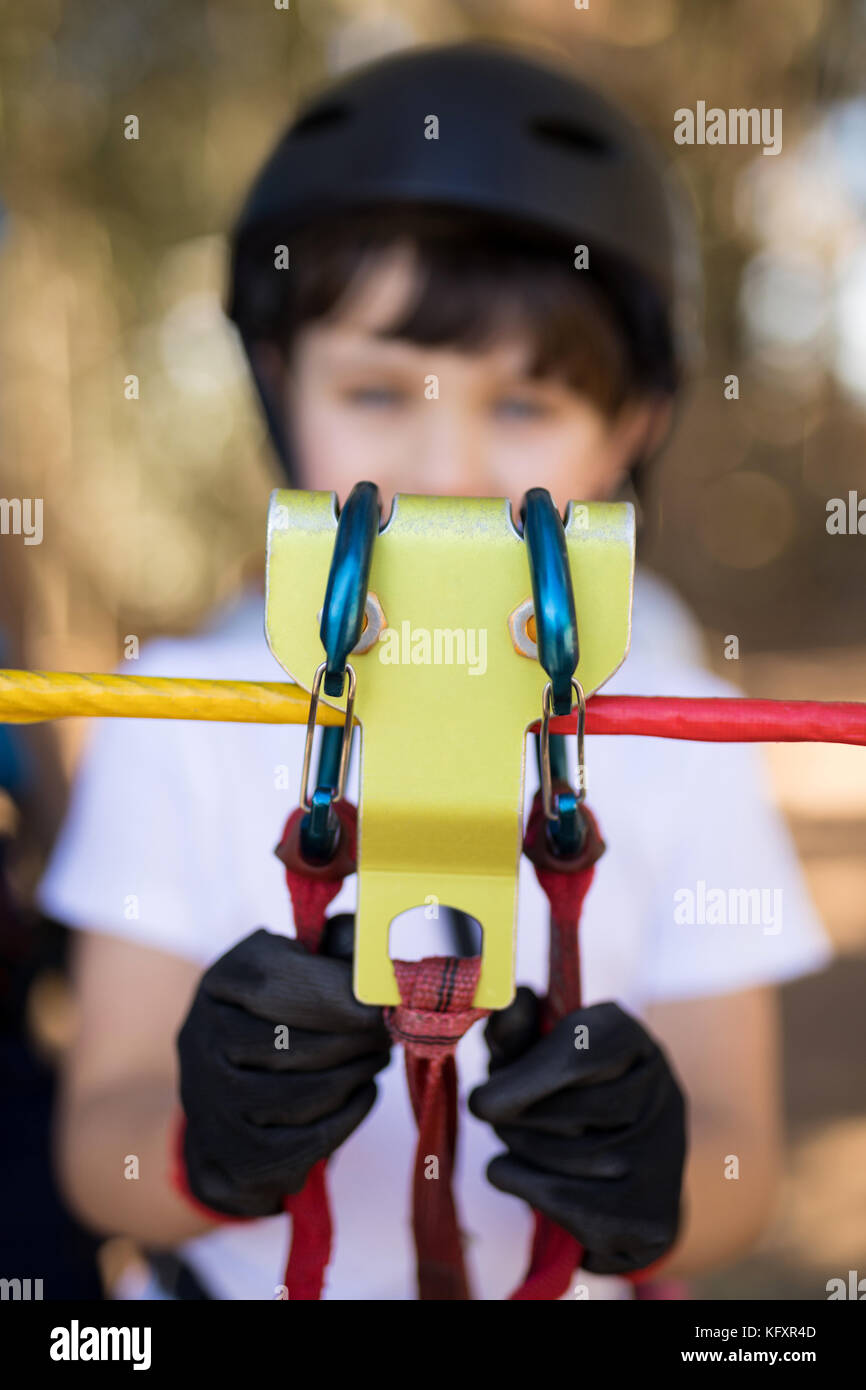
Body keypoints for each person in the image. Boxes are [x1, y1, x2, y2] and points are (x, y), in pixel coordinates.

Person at [41, 42, 832, 1301]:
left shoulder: (693, 738)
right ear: (274, 389)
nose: (445, 463)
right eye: (372, 387)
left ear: (634, 426)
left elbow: (740, 1176)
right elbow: (97, 1153)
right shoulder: (171, 717)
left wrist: (658, 1187)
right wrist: (206, 1148)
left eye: (521, 403)